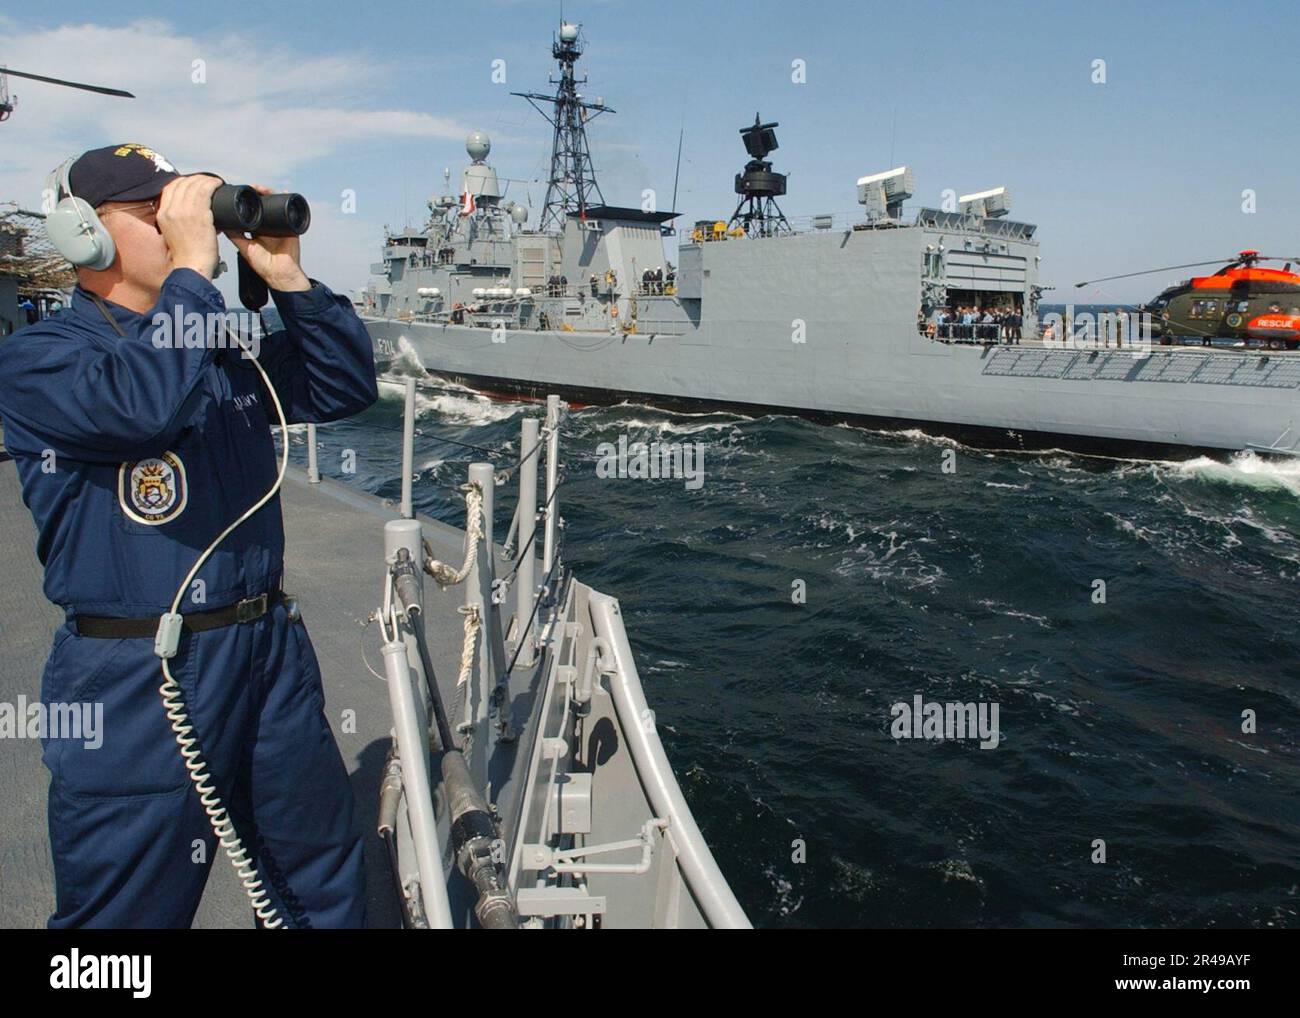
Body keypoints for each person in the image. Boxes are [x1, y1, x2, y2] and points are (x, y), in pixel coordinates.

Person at [0, 143, 377, 929]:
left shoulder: (213, 350)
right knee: (124, 914)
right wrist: (194, 275)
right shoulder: (39, 359)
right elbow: (137, 409)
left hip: (265, 654)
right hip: (140, 677)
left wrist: (287, 282)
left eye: (187, 216)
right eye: (159, 217)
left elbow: (343, 385)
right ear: (85, 236)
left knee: (320, 867)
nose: (182, 235)